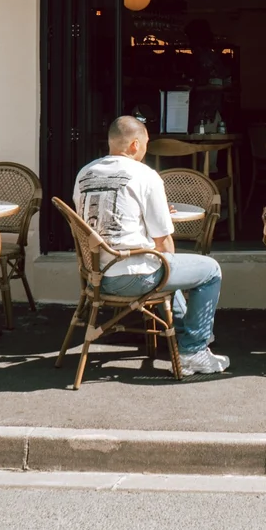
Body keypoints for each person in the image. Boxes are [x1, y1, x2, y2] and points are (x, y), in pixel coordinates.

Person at [73, 116, 229, 375]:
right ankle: (194, 350)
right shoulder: (145, 175)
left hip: (95, 276)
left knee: (169, 267)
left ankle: (183, 334)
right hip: (134, 278)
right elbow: (163, 243)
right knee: (208, 270)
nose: (146, 149)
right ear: (135, 145)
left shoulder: (84, 173)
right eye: (145, 144)